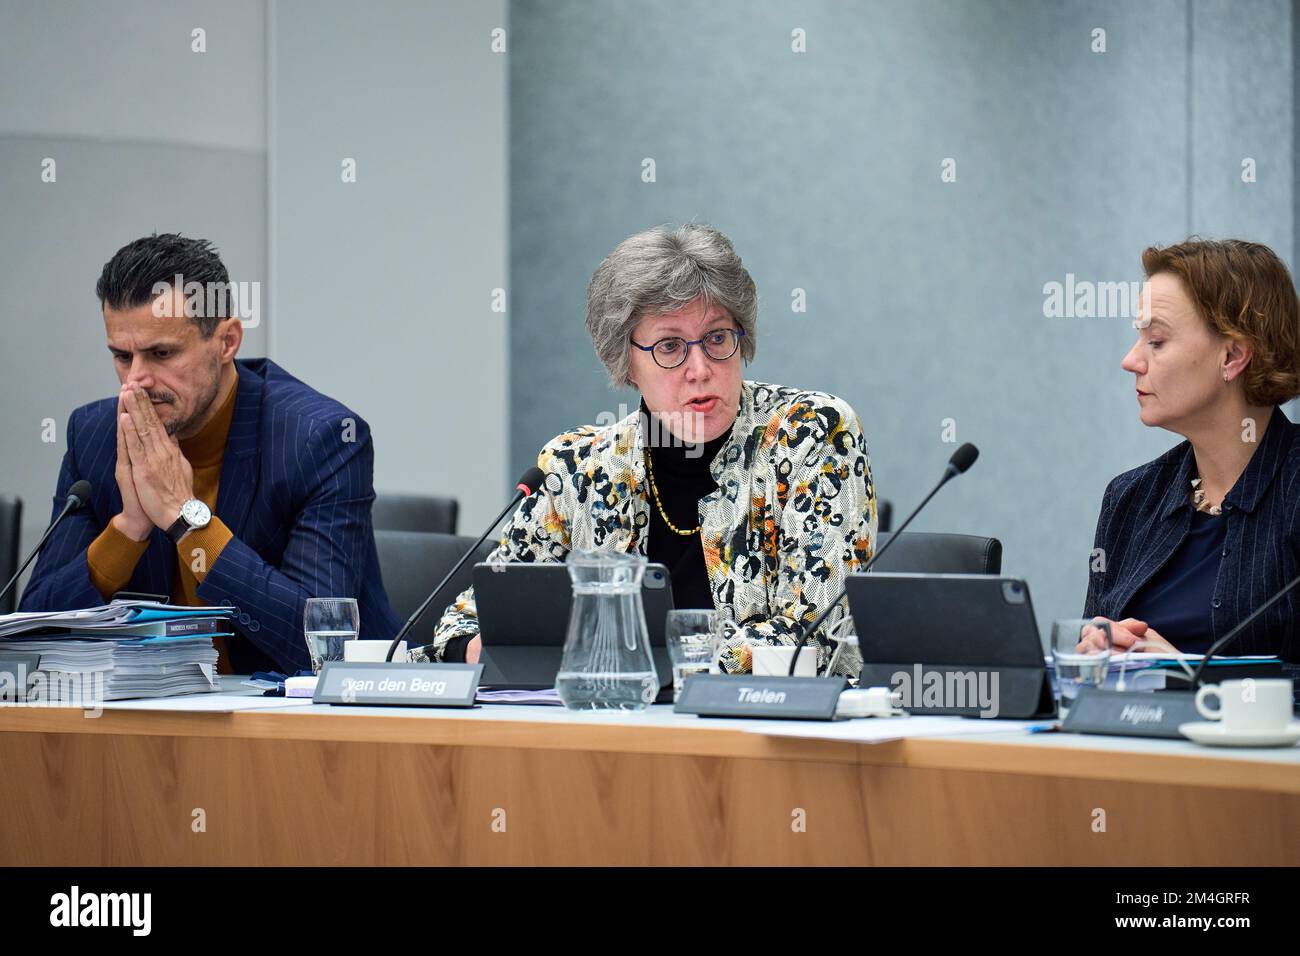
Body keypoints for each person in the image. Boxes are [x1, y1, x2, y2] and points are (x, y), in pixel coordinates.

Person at [416, 224, 877, 674]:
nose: (699, 368)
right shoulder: (578, 466)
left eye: (717, 338)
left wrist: (622, 658)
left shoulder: (810, 434)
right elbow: (463, 625)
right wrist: (483, 651)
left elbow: (819, 637)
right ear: (626, 361)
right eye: (670, 346)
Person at [19, 233, 401, 673]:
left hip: (318, 723)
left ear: (227, 342)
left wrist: (186, 521)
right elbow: (32, 637)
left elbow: (318, 646)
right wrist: (127, 530)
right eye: (123, 356)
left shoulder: (320, 439)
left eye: (162, 353)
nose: (136, 380)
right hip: (155, 717)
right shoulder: (95, 436)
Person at [1082, 239, 1300, 660]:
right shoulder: (1128, 499)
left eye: (1157, 341)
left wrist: (1189, 674)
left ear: (1232, 355)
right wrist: (1094, 654)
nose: (1131, 360)